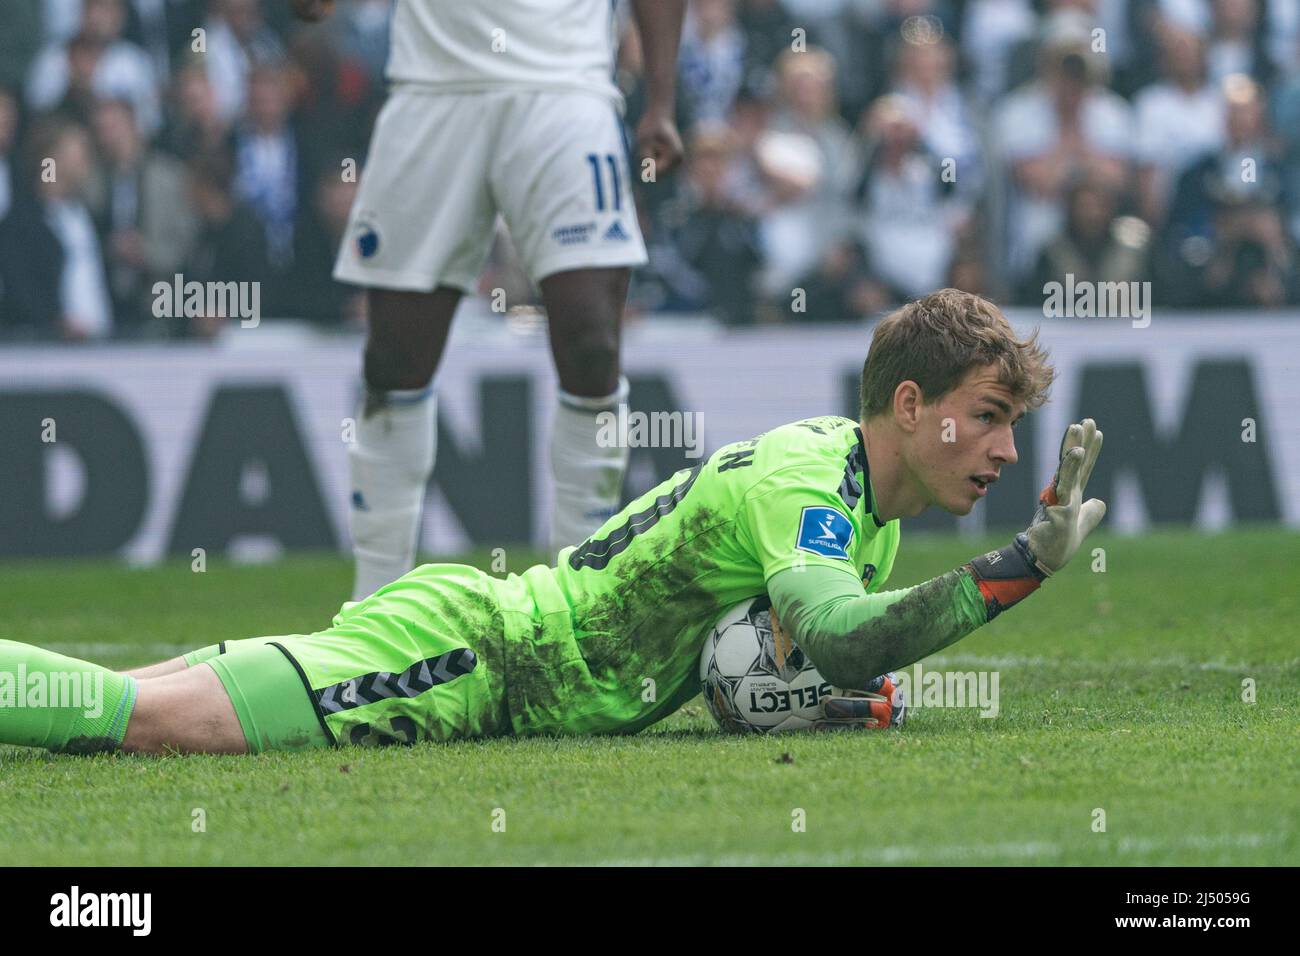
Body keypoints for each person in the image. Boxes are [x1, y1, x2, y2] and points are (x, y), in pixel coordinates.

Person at [0, 289, 1107, 755]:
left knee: (139, 700)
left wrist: (827, 708)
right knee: (150, 723)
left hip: (490, 653)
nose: (1008, 451)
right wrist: (1016, 570)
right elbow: (837, 636)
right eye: (990, 418)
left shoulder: (862, 514)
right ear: (910, 407)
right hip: (477, 657)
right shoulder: (808, 482)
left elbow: (754, 669)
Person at [297, 0, 686, 600]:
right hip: (434, 88)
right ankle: (373, 602)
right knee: (395, 360)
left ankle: (579, 601)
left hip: (566, 86)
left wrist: (661, 100)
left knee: (592, 342)